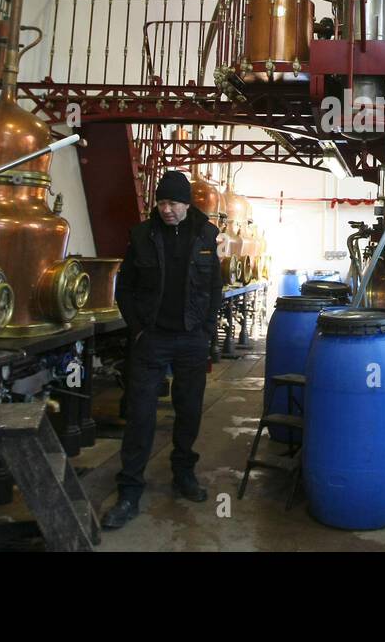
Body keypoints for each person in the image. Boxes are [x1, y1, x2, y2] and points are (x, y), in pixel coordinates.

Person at [103, 170, 223, 530]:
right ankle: (129, 490)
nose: (166, 209)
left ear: (187, 204)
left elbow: (215, 286)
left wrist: (205, 329)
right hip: (152, 338)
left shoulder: (205, 235)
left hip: (190, 338)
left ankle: (183, 473)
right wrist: (138, 329)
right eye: (161, 202)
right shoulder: (141, 235)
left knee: (189, 410)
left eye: (173, 202)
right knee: (140, 414)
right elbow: (124, 287)